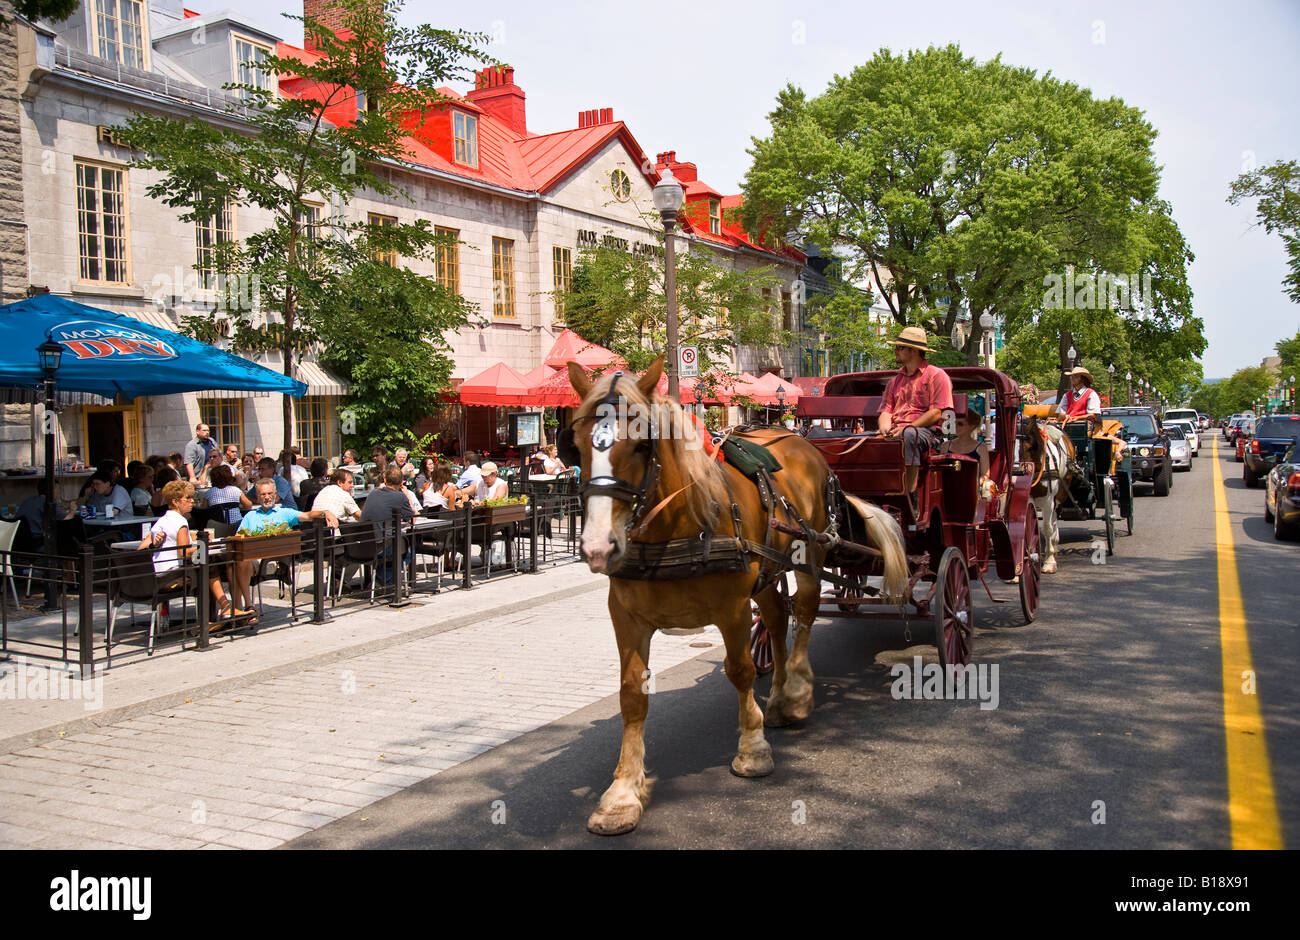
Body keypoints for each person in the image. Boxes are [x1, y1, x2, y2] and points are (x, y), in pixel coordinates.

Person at [136, 480, 248, 625]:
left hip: (155, 574)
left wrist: (154, 544)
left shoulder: (161, 521)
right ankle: (217, 613)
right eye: (187, 498)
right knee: (208, 566)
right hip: (171, 577)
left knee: (206, 565)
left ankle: (223, 608)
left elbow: (141, 549)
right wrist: (206, 547)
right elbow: (185, 552)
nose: (191, 501)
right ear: (175, 502)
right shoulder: (180, 523)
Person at [229, 479, 338, 617]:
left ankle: (245, 607)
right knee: (234, 562)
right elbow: (239, 536)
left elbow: (307, 515)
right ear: (257, 496)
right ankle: (241, 610)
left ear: (275, 494)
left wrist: (325, 512)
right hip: (251, 556)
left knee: (238, 563)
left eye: (269, 493)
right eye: (263, 494)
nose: (267, 497)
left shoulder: (284, 513)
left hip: (272, 559)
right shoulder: (251, 516)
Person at [877, 326, 955, 513]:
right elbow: (886, 412)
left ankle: (910, 499)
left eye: (899, 348)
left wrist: (907, 427)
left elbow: (937, 412)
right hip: (899, 431)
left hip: (928, 433)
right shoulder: (894, 381)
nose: (895, 351)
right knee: (864, 440)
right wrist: (884, 430)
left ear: (913, 351)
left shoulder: (937, 376)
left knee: (909, 435)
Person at [360, 467, 416, 583]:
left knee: (394, 544)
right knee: (409, 551)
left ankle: (381, 578)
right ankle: (386, 580)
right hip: (382, 546)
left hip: (363, 545)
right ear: (402, 483)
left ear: (385, 480)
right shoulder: (400, 497)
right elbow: (412, 520)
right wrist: (406, 494)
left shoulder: (373, 493)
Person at [940, 411, 992, 496]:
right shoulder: (945, 446)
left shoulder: (981, 448)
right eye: (954, 423)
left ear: (972, 426)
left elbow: (985, 475)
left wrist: (972, 485)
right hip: (947, 491)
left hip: (971, 493)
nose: (955, 427)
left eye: (960, 424)